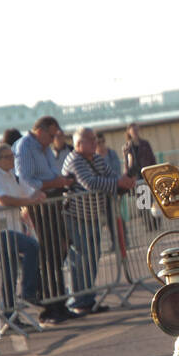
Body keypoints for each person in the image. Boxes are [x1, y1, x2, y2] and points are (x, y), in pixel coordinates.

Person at [61, 127, 135, 314]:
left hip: (93, 215)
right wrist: (118, 183)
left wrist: (122, 180)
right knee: (80, 258)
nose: (95, 143)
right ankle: (79, 300)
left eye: (95, 139)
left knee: (93, 256)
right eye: (90, 140)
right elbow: (90, 182)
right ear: (79, 144)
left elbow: (111, 176)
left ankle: (88, 298)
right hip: (77, 216)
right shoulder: (74, 160)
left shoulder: (97, 159)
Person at [0, 143, 51, 323]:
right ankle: (27, 292)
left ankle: (11, 316)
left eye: (12, 156)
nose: (12, 159)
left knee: (9, 273)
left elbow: (31, 191)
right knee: (31, 247)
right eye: (7, 157)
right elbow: (2, 199)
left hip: (12, 227)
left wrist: (38, 195)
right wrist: (28, 200)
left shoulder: (12, 175)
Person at [13, 116, 73, 323]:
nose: (53, 138)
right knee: (49, 252)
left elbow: (52, 172)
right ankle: (49, 304)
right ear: (40, 131)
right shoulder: (25, 146)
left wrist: (60, 181)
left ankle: (57, 300)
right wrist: (52, 183)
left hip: (53, 199)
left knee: (62, 246)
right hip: (40, 203)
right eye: (51, 134)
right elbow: (25, 179)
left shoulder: (44, 147)